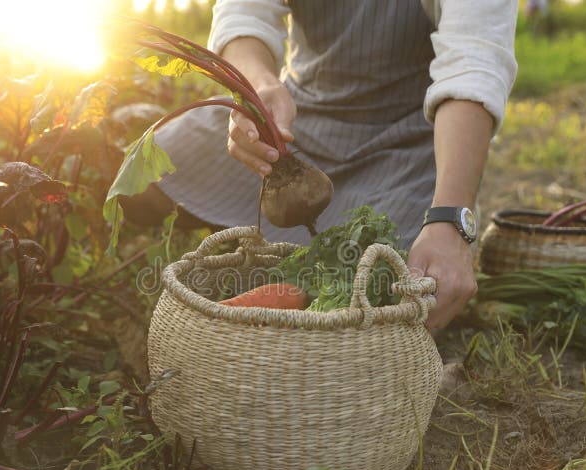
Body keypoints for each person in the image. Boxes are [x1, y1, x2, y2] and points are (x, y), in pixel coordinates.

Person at [123, 0, 518, 329]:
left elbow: (474, 64)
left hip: (411, 144)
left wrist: (450, 219)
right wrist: (259, 87)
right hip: (297, 118)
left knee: (385, 283)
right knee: (142, 187)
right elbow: (244, 12)